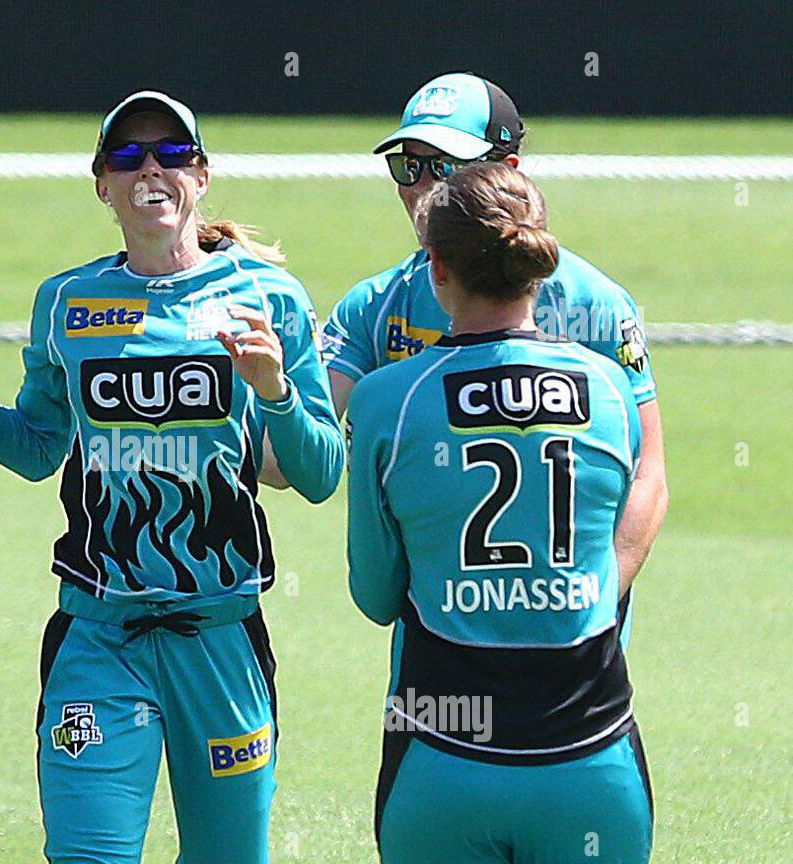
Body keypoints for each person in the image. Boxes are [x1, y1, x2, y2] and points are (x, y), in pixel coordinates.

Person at [0, 91, 345, 864]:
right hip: (99, 639)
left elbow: (320, 472)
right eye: (128, 157)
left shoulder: (268, 296)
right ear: (102, 184)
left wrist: (273, 393)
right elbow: (38, 450)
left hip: (221, 638)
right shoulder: (67, 303)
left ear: (201, 176)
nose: (150, 171)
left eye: (170, 155)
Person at [347, 161, 653, 864]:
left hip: (442, 755)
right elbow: (629, 520)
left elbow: (375, 593)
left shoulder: (391, 397)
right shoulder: (607, 390)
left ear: (437, 267)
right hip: (591, 755)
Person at [268, 73, 668, 608]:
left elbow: (650, 475)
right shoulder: (373, 306)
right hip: (443, 657)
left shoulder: (593, 305)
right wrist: (265, 390)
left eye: (444, 166)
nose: (421, 188)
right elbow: (288, 465)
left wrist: (590, 612)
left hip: (578, 664)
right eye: (407, 166)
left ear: (506, 172)